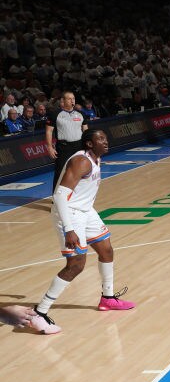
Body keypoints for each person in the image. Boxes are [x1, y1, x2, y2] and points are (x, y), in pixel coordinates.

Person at [27, 129, 135, 335]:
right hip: (68, 213)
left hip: (85, 211)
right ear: (89, 144)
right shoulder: (82, 162)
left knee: (106, 250)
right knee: (76, 265)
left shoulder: (95, 159)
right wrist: (69, 229)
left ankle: (108, 298)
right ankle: (39, 313)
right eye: (100, 139)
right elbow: (59, 196)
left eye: (105, 137)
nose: (106, 141)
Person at [46, 91, 88, 195]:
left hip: (79, 146)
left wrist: (88, 145)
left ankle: (76, 195)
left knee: (80, 171)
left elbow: (86, 131)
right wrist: (50, 147)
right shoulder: (55, 114)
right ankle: (56, 198)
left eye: (73, 98)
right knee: (60, 172)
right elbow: (49, 131)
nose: (72, 100)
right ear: (63, 101)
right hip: (64, 147)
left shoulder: (81, 114)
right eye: (69, 98)